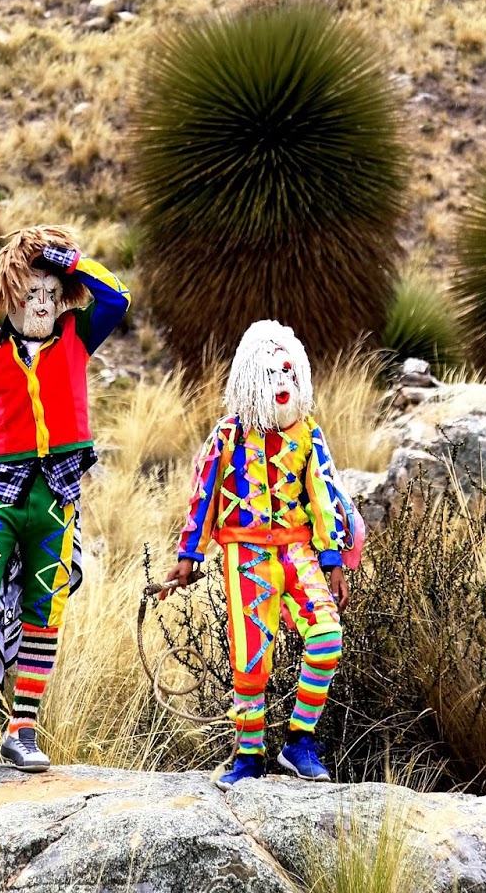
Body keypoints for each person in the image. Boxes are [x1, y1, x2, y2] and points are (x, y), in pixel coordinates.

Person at [0, 226, 129, 771]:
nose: (42, 303)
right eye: (30, 292)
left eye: (50, 293)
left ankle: (22, 729)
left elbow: (118, 297)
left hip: (58, 493)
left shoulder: (78, 335)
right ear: (9, 296)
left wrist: (71, 260)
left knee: (46, 607)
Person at [163, 320, 351, 787]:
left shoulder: (308, 435)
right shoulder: (227, 435)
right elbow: (203, 494)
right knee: (250, 662)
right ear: (249, 380)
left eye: (288, 372)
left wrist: (333, 560)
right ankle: (248, 757)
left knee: (327, 636)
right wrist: (189, 555)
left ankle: (298, 742)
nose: (282, 383)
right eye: (270, 374)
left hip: (298, 553)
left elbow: (323, 495)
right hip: (245, 556)